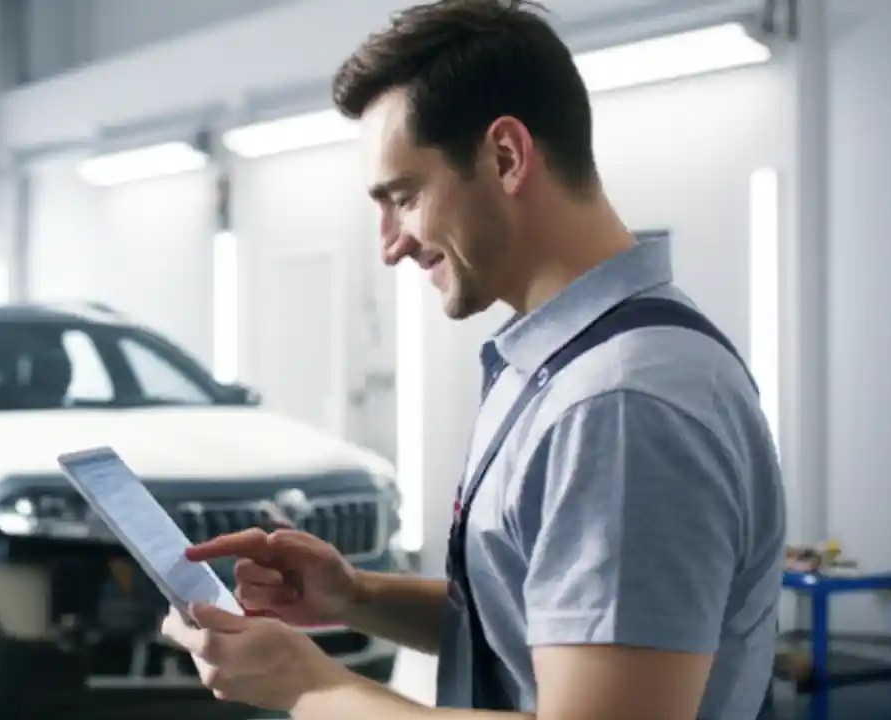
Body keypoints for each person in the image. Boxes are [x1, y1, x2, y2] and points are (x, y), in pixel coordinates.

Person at [161, 0, 786, 717]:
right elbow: (543, 623)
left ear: (506, 157)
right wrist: (355, 596)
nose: (390, 243)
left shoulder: (617, 405)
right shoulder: (563, 370)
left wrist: (311, 686)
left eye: (404, 197)